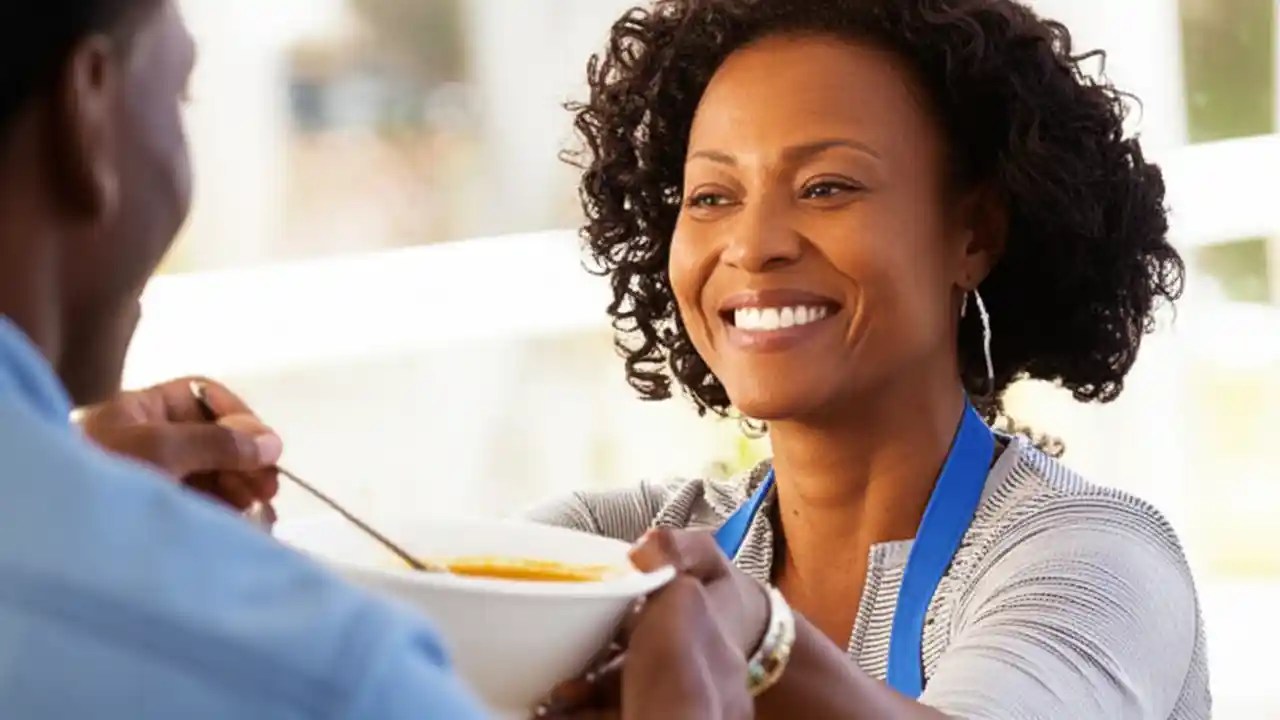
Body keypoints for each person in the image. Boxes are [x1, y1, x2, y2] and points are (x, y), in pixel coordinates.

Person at [0, 2, 749, 718]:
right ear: (88, 108)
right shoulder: (321, 675)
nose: (756, 246)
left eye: (829, 186)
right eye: (182, 94)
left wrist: (74, 494)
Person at [533, 0, 1211, 718]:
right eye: (711, 196)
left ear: (974, 235)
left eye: (827, 188)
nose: (753, 243)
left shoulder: (1098, 560)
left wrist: (765, 645)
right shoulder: (606, 551)